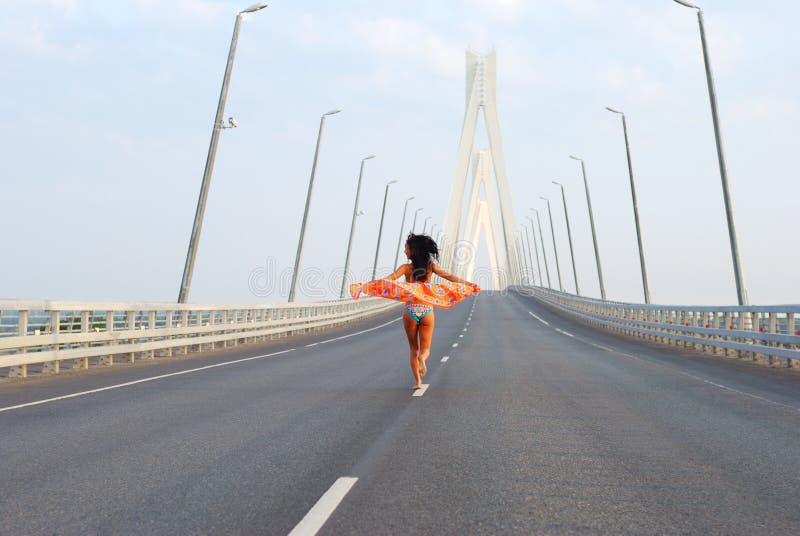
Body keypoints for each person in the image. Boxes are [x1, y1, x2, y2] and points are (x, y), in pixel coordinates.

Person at [350, 233, 480, 389]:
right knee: (425, 349)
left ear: (413, 250)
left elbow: (387, 281)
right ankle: (423, 359)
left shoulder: (405, 268)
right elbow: (451, 278)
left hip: (410, 311)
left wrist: (364, 286)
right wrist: (470, 284)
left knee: (413, 349)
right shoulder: (431, 266)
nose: (404, 251)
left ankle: (418, 382)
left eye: (406, 248)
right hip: (426, 310)